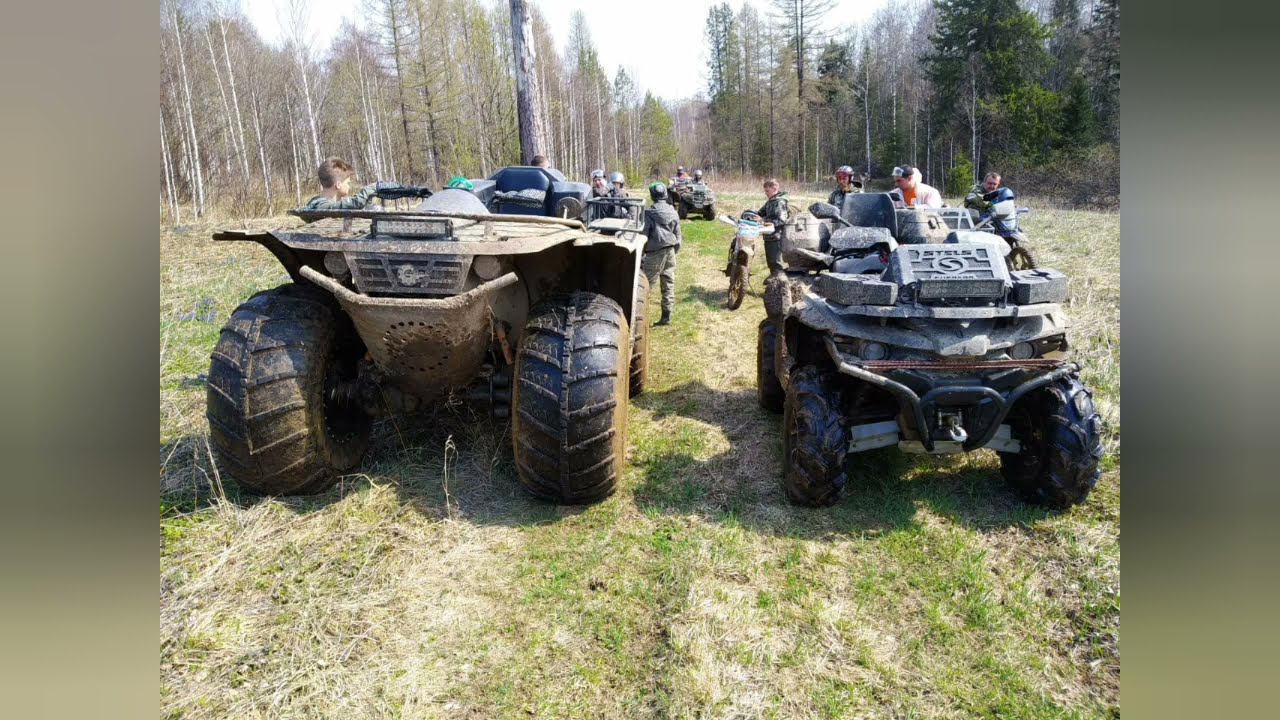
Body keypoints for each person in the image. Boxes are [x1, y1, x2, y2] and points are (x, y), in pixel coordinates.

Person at [640, 182, 682, 326]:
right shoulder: (673, 211)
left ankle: (640, 322)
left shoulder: (649, 213)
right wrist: (674, 251)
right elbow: (678, 236)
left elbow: (644, 235)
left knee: (644, 287)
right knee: (668, 284)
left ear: (653, 196)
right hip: (670, 250)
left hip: (654, 253)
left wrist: (642, 254)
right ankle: (667, 316)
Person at [304, 157, 380, 210]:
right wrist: (373, 188)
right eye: (347, 183)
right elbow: (356, 203)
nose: (349, 187)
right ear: (338, 184)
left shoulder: (322, 205)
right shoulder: (320, 206)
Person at [757, 178, 791, 276]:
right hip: (768, 236)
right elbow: (760, 213)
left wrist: (764, 221)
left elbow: (781, 220)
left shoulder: (779, 202)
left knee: (776, 264)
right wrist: (750, 215)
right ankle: (774, 284)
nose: (766, 193)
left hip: (777, 237)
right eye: (765, 191)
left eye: (767, 191)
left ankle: (780, 285)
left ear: (774, 188)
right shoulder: (770, 202)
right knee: (771, 263)